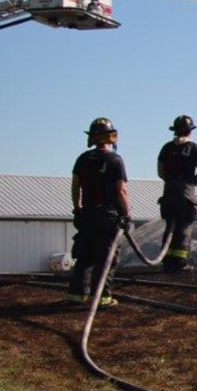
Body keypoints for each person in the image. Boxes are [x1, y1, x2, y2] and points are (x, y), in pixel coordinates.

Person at [68, 118, 131, 306]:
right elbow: (121, 191)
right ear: (111, 136)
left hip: (87, 214)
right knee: (106, 257)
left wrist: (78, 209)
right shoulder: (115, 160)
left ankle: (76, 295)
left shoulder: (83, 159)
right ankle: (103, 298)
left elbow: (75, 186)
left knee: (85, 255)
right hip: (108, 215)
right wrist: (126, 215)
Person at [157, 115, 197, 272]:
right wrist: (193, 181)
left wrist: (171, 181)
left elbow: (160, 172)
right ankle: (180, 262)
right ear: (190, 131)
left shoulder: (166, 148)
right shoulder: (195, 148)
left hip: (169, 190)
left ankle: (167, 261)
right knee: (184, 225)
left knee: (170, 224)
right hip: (185, 190)